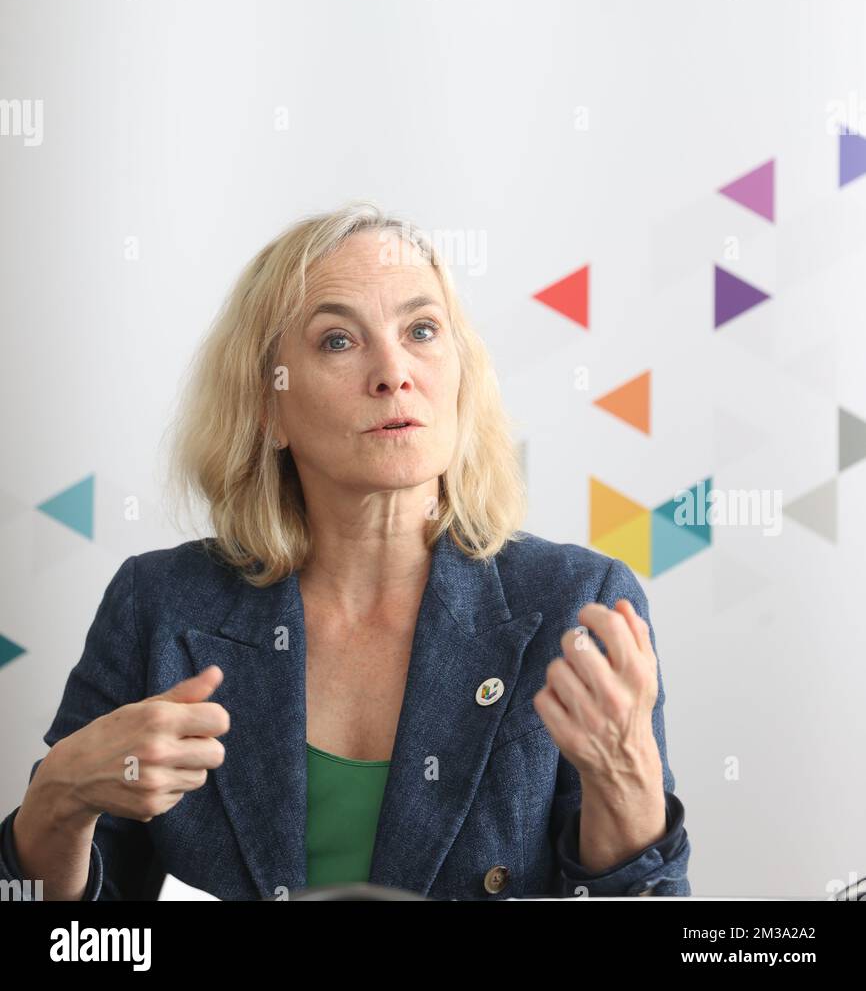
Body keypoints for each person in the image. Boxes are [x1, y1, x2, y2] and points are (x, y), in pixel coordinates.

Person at [0, 202, 691, 900]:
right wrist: (58, 800)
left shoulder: (579, 604)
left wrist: (628, 779)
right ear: (268, 408)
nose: (394, 372)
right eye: (337, 341)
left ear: (460, 377)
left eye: (421, 330)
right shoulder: (158, 604)